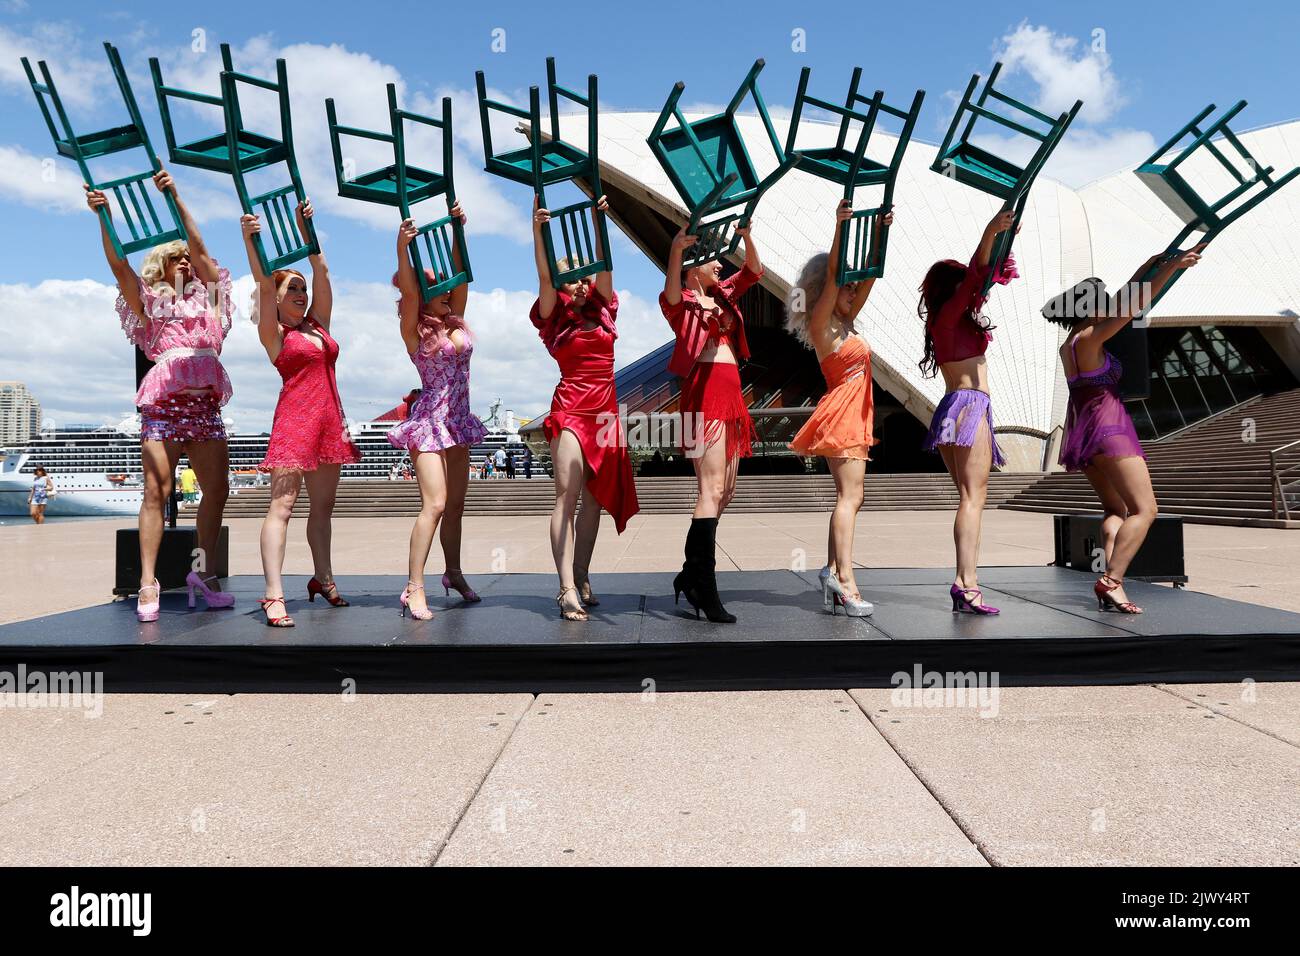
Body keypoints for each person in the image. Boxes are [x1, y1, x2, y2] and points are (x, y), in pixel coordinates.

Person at [88, 169, 234, 621]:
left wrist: (175, 197)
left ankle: (202, 573)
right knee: (158, 490)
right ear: (162, 267)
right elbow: (118, 266)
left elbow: (205, 249)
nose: (186, 262)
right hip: (165, 407)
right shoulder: (151, 304)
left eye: (186, 257)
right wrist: (105, 216)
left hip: (204, 406)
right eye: (176, 258)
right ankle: (148, 581)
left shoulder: (211, 300)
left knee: (217, 491)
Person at [1043, 245, 1206, 613]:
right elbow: (1133, 305)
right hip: (1110, 429)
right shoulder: (1090, 340)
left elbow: (1124, 301)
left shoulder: (1071, 344)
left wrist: (1149, 265)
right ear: (1091, 308)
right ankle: (1111, 581)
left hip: (1085, 436)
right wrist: (1170, 270)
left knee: (1114, 510)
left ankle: (1112, 581)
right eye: (1102, 302)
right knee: (1145, 509)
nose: (1108, 306)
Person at [242, 199, 361, 627]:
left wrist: (306, 229)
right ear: (275, 299)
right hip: (294, 423)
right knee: (282, 507)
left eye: (300, 288)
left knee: (323, 508)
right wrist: (250, 240)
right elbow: (258, 280)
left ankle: (322, 578)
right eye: (291, 288)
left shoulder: (318, 325)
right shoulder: (274, 333)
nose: (300, 292)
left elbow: (323, 274)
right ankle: (273, 593)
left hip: (330, 423)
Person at [531, 195, 639, 621]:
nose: (579, 283)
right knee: (568, 495)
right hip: (571, 409)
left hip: (606, 412)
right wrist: (538, 230)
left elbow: (607, 266)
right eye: (570, 278)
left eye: (583, 277)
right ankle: (565, 588)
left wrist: (600, 221)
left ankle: (581, 572)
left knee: (594, 501)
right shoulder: (552, 318)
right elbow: (542, 275)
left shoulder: (605, 309)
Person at [787, 201, 893, 616]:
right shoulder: (823, 321)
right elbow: (836, 275)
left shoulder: (845, 323)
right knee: (851, 495)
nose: (852, 292)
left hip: (851, 413)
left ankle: (833, 569)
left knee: (850, 495)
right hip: (843, 413)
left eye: (851, 289)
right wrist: (839, 227)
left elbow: (868, 279)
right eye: (846, 288)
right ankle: (844, 579)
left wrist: (881, 233)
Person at [387, 205, 488, 620]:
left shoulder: (456, 319)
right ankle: (413, 587)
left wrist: (458, 233)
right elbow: (411, 293)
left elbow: (462, 276)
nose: (447, 292)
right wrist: (402, 247)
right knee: (435, 504)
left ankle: (454, 572)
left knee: (457, 506)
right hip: (430, 420)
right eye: (438, 289)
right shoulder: (415, 329)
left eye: (447, 288)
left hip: (459, 419)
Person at [660, 223, 764, 623]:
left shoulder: (722, 295)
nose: (721, 266)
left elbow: (755, 270)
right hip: (703, 398)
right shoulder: (681, 300)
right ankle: (703, 584)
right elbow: (671, 288)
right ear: (692, 269)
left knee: (726, 493)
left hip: (731, 397)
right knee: (712, 489)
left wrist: (747, 234)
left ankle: (690, 575)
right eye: (712, 261)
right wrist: (675, 250)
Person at [917, 208, 1018, 616]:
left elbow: (981, 280)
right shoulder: (951, 312)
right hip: (970, 404)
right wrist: (990, 231)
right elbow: (977, 276)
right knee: (974, 498)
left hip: (952, 406)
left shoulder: (944, 320)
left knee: (968, 497)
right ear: (952, 286)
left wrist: (998, 240)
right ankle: (966, 582)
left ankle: (967, 581)